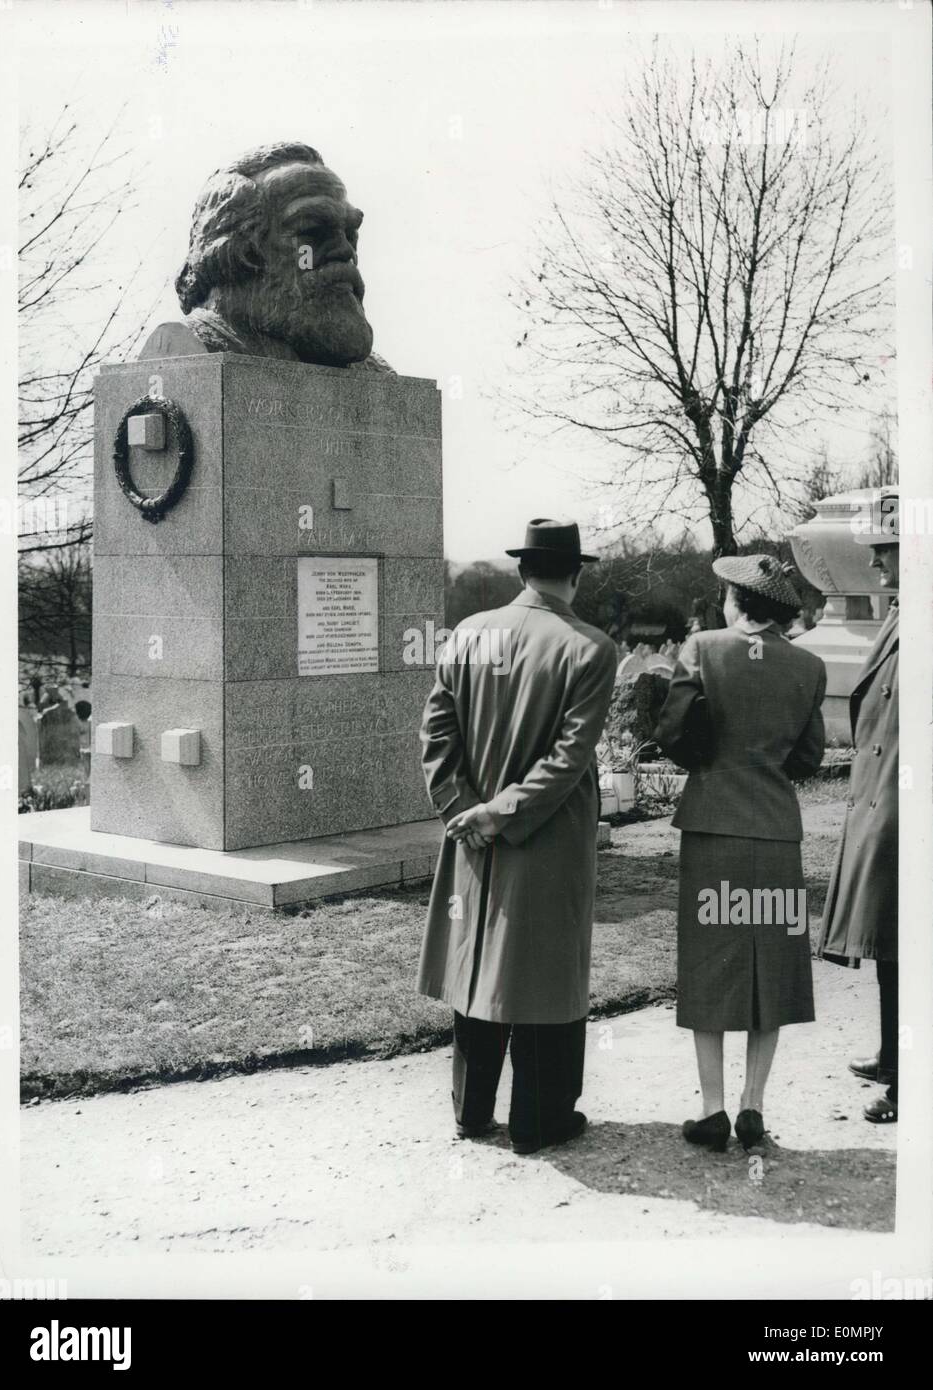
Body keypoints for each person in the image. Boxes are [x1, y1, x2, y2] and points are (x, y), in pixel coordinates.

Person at [417, 519, 618, 1155]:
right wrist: (500, 813)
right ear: (575, 574)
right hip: (546, 833)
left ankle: (471, 1111)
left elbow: (436, 734)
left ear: (519, 572)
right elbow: (568, 758)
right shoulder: (590, 647)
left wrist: (464, 811)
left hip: (472, 832)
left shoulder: (470, 635)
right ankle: (540, 1118)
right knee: (544, 974)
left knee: (477, 963)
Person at [654, 555, 827, 1152]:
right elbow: (807, 760)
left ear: (737, 601)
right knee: (768, 970)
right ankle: (754, 1105)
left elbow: (673, 734)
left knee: (711, 965)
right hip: (776, 831)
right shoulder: (809, 666)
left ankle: (713, 1109)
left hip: (713, 829)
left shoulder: (703, 648)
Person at [139, 142, 392, 372]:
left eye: (350, 233)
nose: (345, 250)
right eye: (313, 232)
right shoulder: (189, 349)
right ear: (239, 251)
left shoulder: (376, 371)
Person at [817, 488, 899, 1123]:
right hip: (882, 800)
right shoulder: (903, 613)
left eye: (887, 553)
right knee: (891, 942)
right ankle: (895, 1055)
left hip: (902, 805)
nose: (876, 566)